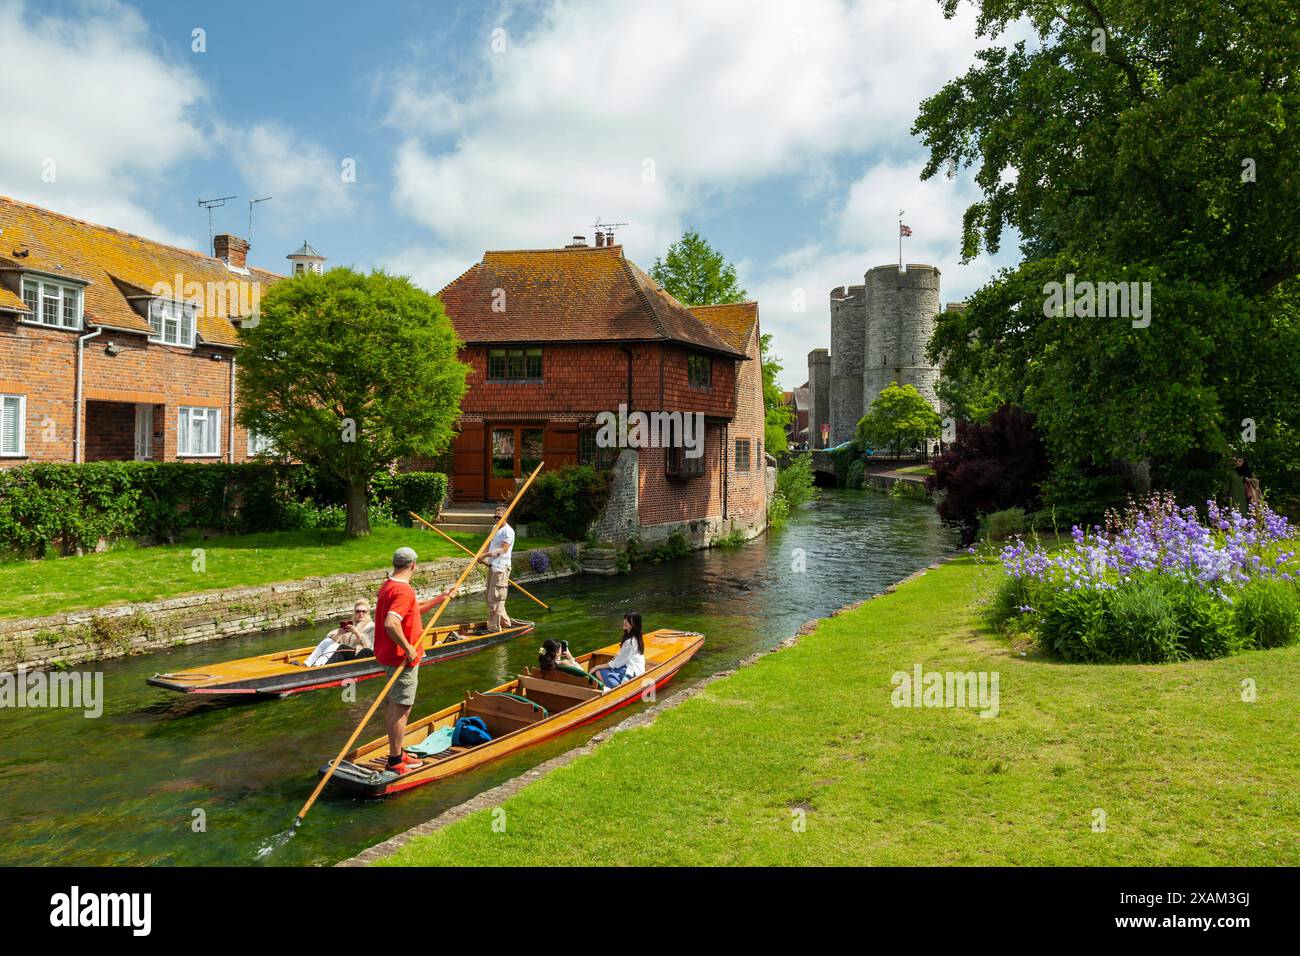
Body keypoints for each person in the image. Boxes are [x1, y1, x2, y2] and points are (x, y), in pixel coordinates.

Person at [373, 547, 458, 774]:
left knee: (395, 704)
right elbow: (392, 623)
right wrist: (408, 648)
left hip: (388, 655)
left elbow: (413, 611)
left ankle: (398, 752)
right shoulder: (403, 591)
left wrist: (440, 600)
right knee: (401, 707)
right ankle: (394, 761)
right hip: (401, 659)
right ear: (413, 565)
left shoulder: (389, 585)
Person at [302, 600, 376, 667]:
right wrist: (339, 634)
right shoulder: (350, 624)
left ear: (368, 613)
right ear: (354, 612)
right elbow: (332, 638)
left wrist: (356, 632)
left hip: (358, 653)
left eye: (364, 611)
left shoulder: (371, 626)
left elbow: (369, 645)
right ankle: (307, 664)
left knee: (341, 647)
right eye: (358, 611)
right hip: (346, 652)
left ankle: (322, 666)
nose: (361, 613)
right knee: (327, 641)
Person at [479, 503, 515, 631]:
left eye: (499, 517)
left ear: (505, 517)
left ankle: (494, 627)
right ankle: (505, 622)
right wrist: (481, 554)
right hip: (493, 565)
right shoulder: (495, 527)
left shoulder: (508, 532)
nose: (496, 519)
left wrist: (486, 555)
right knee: (490, 596)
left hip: (501, 568)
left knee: (495, 597)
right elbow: (490, 544)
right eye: (495, 517)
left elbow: (503, 550)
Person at [590, 613, 646, 689]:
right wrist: (618, 654)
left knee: (599, 671)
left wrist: (596, 667)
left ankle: (615, 689)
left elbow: (616, 663)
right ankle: (614, 685)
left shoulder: (629, 642)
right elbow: (623, 654)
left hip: (631, 671)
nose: (625, 622)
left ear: (634, 625)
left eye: (628, 621)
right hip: (635, 668)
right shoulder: (636, 637)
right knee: (604, 670)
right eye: (625, 619)